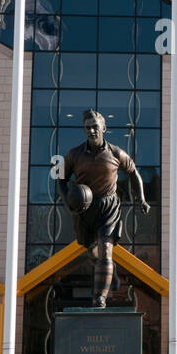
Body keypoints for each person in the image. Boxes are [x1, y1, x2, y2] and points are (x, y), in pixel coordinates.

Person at [58, 109, 150, 308]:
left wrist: (141, 198)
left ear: (104, 128)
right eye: (87, 127)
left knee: (105, 249)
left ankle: (99, 297)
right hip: (85, 209)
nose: (91, 131)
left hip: (108, 207)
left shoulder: (116, 153)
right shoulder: (74, 154)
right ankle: (111, 272)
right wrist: (68, 200)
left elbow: (133, 173)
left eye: (95, 127)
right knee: (93, 253)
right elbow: (61, 180)